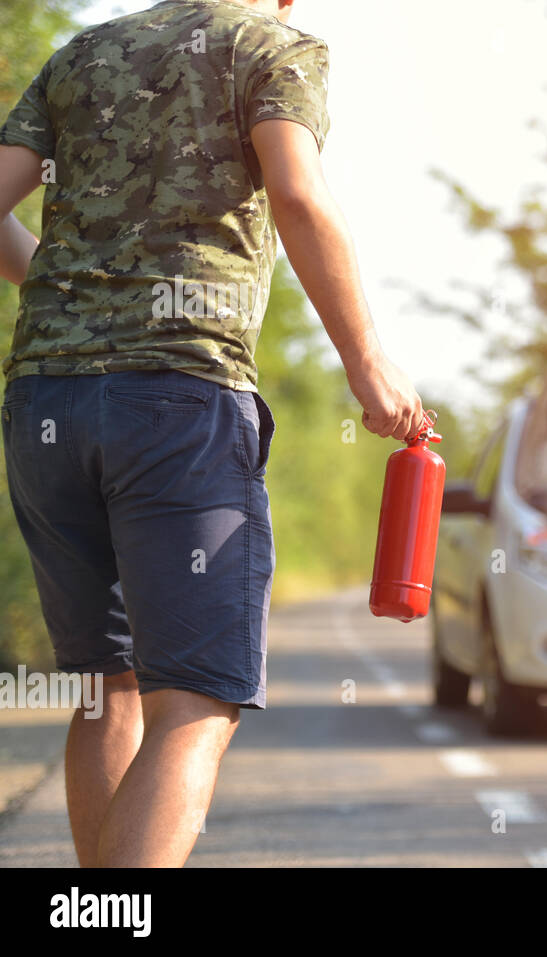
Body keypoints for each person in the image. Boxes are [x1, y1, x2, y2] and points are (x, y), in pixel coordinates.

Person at [0, 0, 425, 866]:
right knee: (191, 703)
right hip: (176, 399)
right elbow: (298, 194)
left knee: (103, 691)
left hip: (45, 401)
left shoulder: (83, 51)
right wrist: (368, 361)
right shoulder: (272, 46)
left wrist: (58, 288)